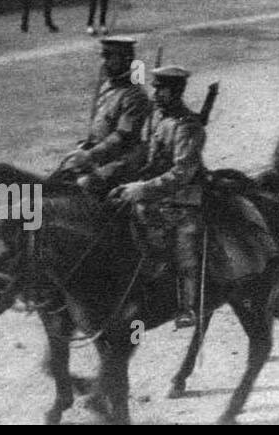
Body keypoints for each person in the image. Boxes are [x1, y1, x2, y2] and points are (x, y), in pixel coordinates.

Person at [110, 66, 207, 329]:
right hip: (153, 192)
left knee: (184, 249)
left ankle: (188, 306)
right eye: (153, 87)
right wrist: (125, 178)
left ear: (175, 91)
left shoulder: (188, 126)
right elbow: (147, 156)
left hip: (182, 200)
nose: (154, 93)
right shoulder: (157, 118)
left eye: (160, 89)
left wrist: (141, 189)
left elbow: (181, 173)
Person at [58, 36, 150, 193]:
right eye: (103, 56)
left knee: (82, 188)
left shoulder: (135, 95)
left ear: (126, 59)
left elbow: (122, 136)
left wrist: (90, 155)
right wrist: (85, 147)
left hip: (119, 161)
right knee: (60, 176)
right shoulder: (108, 85)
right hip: (98, 155)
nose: (104, 62)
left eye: (109, 56)